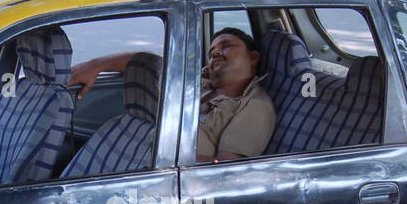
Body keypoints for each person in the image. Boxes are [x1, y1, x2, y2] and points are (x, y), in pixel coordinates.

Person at [68, 27, 276, 162]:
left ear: (253, 57)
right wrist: (97, 65)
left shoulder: (255, 106)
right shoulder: (198, 79)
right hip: (133, 150)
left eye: (226, 46)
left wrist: (165, 158)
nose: (215, 53)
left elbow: (224, 170)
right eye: (212, 51)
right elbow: (150, 63)